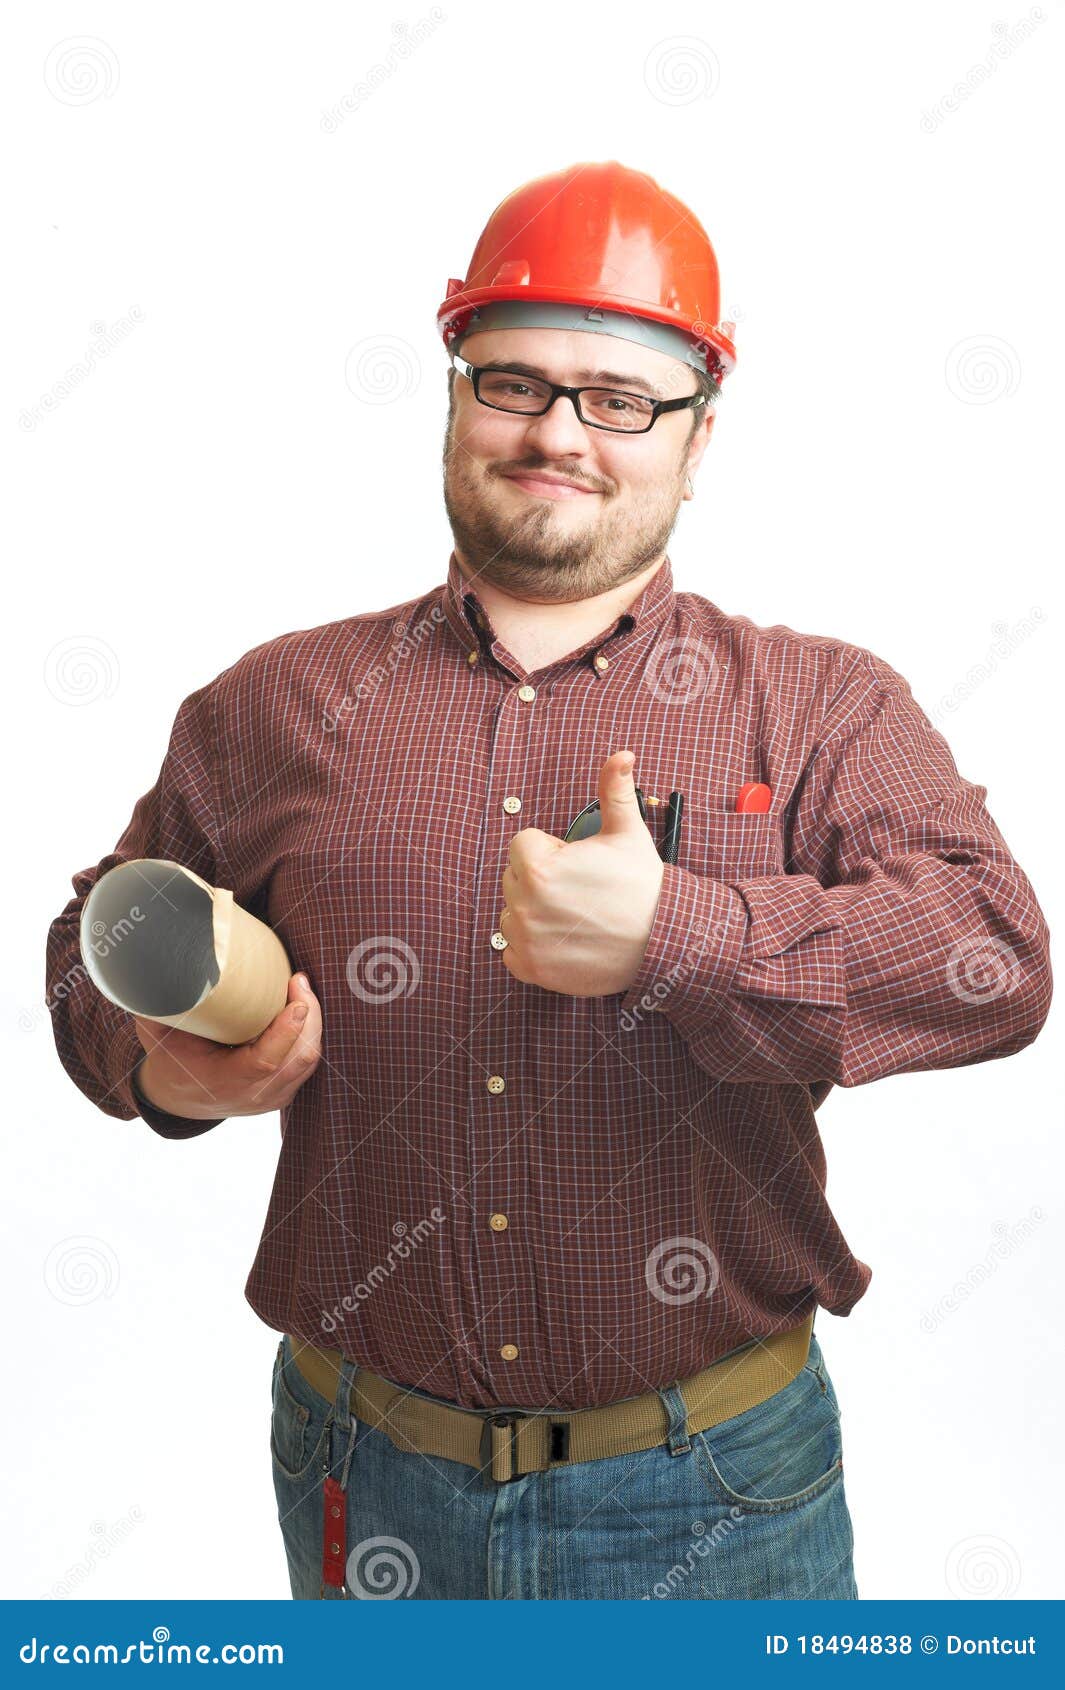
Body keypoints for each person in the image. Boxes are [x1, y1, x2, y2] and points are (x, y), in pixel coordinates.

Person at [46, 161, 1052, 1601]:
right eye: (513, 381)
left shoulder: (818, 705)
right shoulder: (276, 704)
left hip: (714, 1488)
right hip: (362, 1468)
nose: (560, 431)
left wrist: (683, 933)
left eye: (619, 396)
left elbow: (995, 954)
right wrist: (158, 1068)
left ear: (696, 437)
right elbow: (89, 936)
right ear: (455, 394)